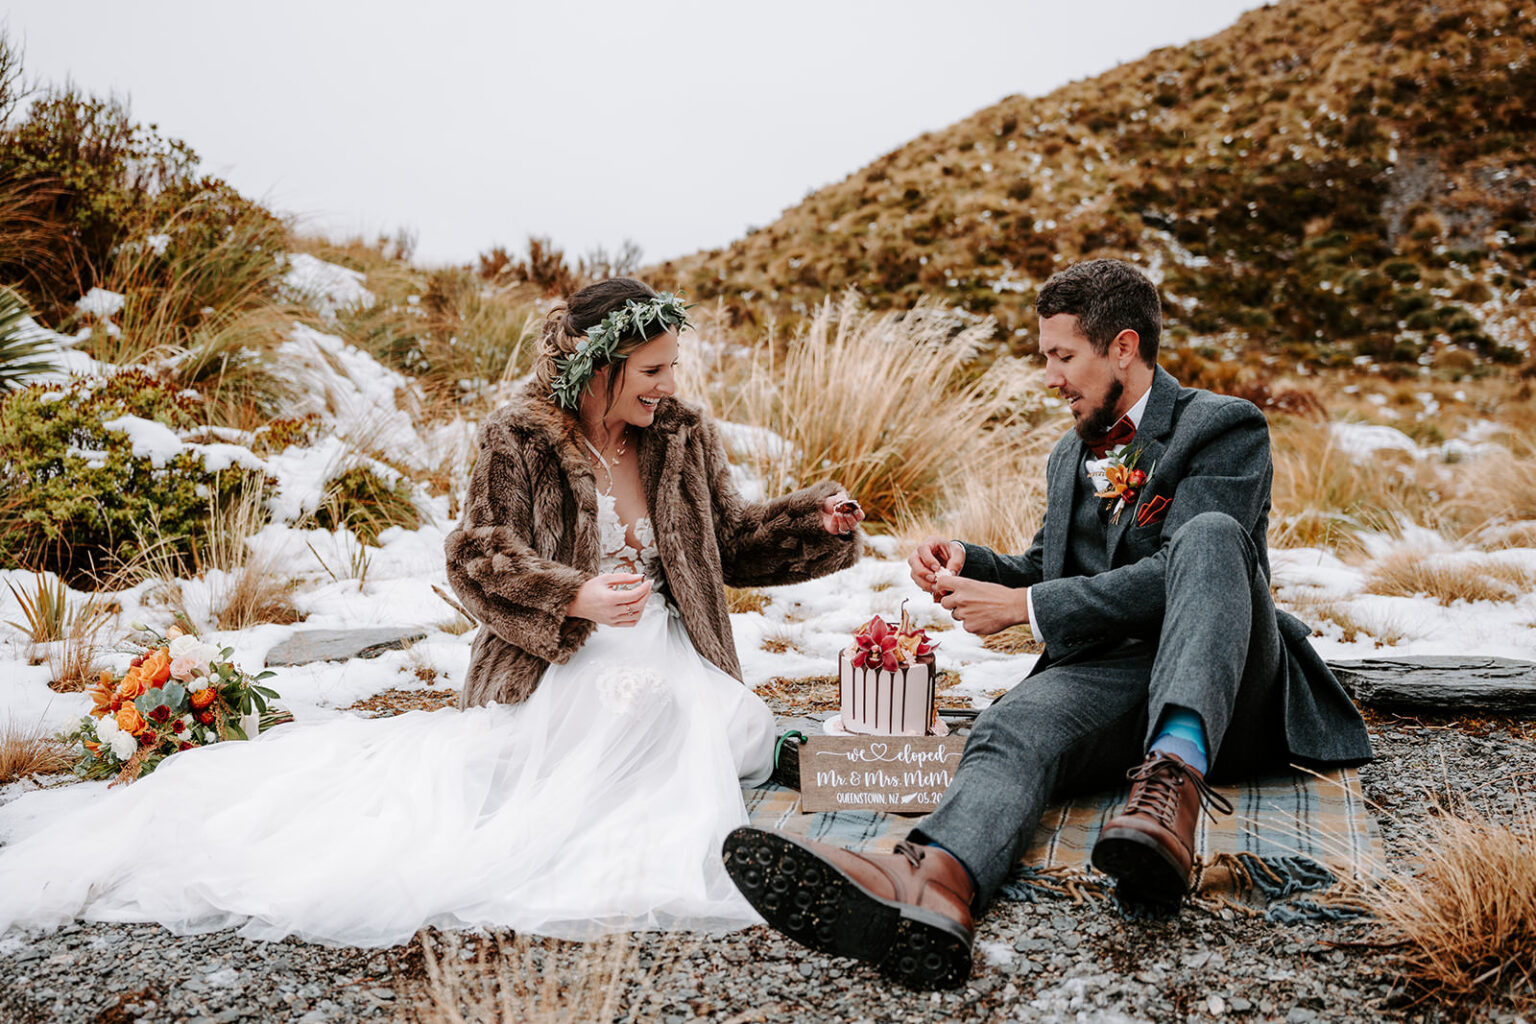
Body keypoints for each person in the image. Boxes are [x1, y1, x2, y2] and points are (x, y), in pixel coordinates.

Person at [0, 277, 863, 946]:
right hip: (560, 655)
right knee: (638, 733)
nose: (668, 386)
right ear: (599, 369)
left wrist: (812, 522)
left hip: (674, 644)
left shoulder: (682, 434)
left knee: (727, 730)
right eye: (651, 371)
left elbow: (730, 540)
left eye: (671, 368)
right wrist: (577, 596)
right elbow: (476, 554)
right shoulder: (518, 435)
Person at [722, 258, 1373, 989]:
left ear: (1122, 347)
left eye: (1063, 356)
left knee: (1213, 534)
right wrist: (974, 564)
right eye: (1046, 358)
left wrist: (1026, 611)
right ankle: (932, 881)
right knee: (1008, 728)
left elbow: (1179, 572)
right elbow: (1050, 568)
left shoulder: (1222, 426)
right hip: (1110, 674)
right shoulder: (1070, 454)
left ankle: (1172, 787)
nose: (1050, 376)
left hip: (1230, 681)